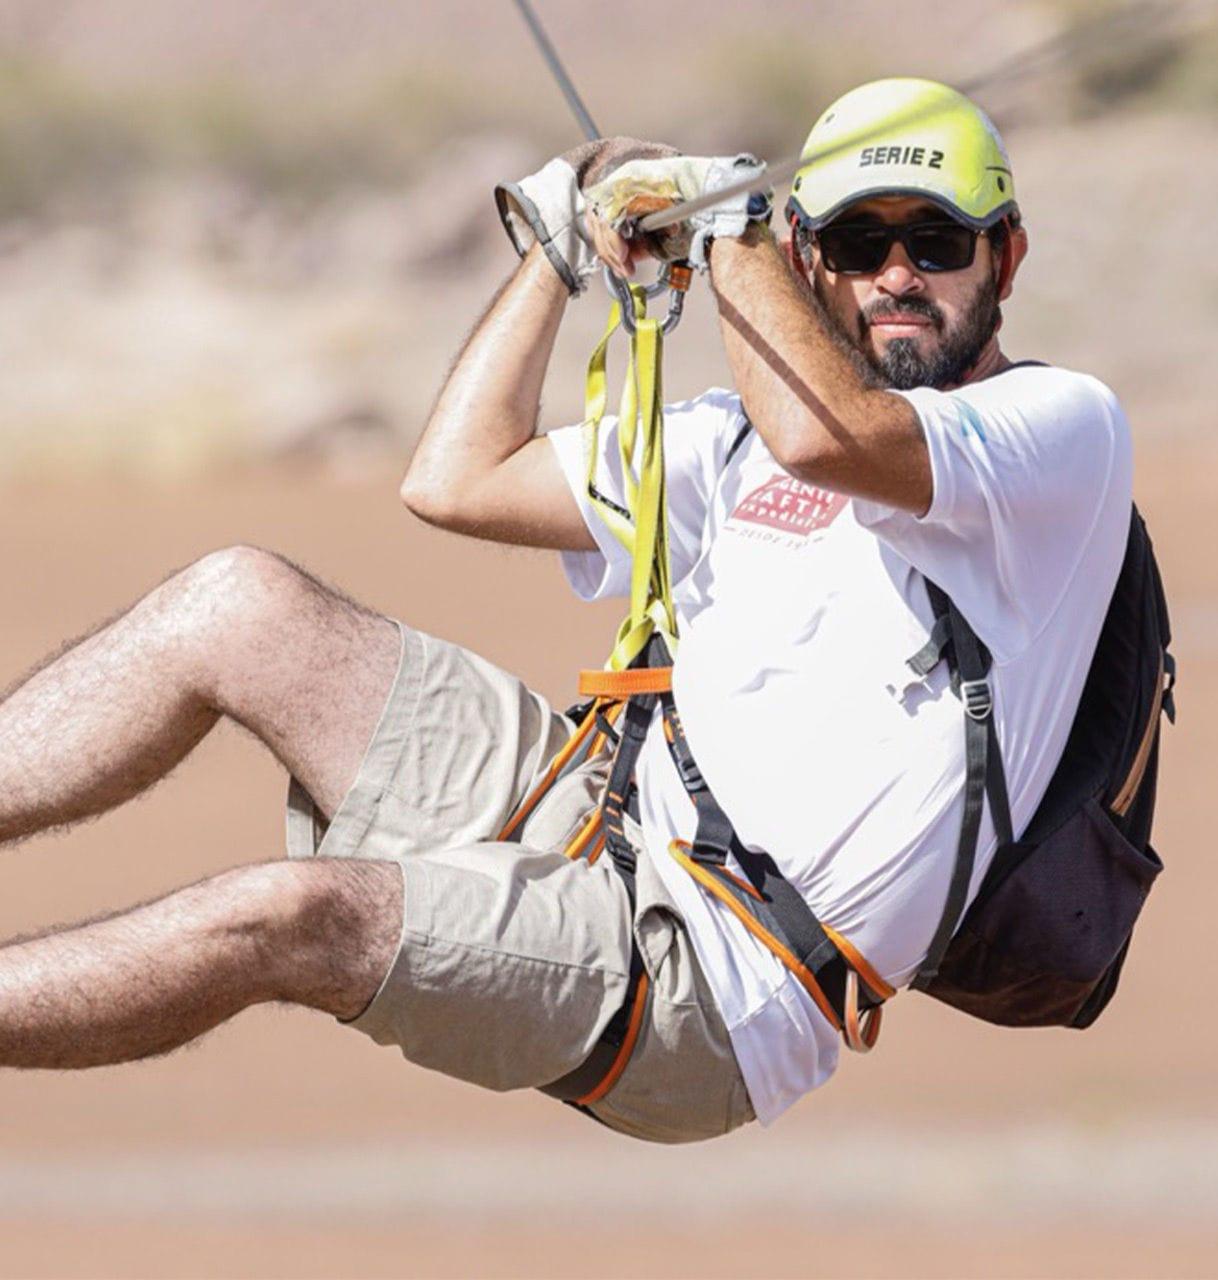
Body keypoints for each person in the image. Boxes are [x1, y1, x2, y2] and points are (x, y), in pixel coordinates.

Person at [0, 79, 1130, 1144]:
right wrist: (558, 245)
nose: (895, 276)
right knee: (238, 603)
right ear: (808, 259)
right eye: (854, 244)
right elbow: (457, 476)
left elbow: (828, 438)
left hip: (718, 982)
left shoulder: (1059, 431)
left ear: (1006, 257)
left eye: (935, 242)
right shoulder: (732, 442)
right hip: (596, 809)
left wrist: (722, 225)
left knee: (289, 916)